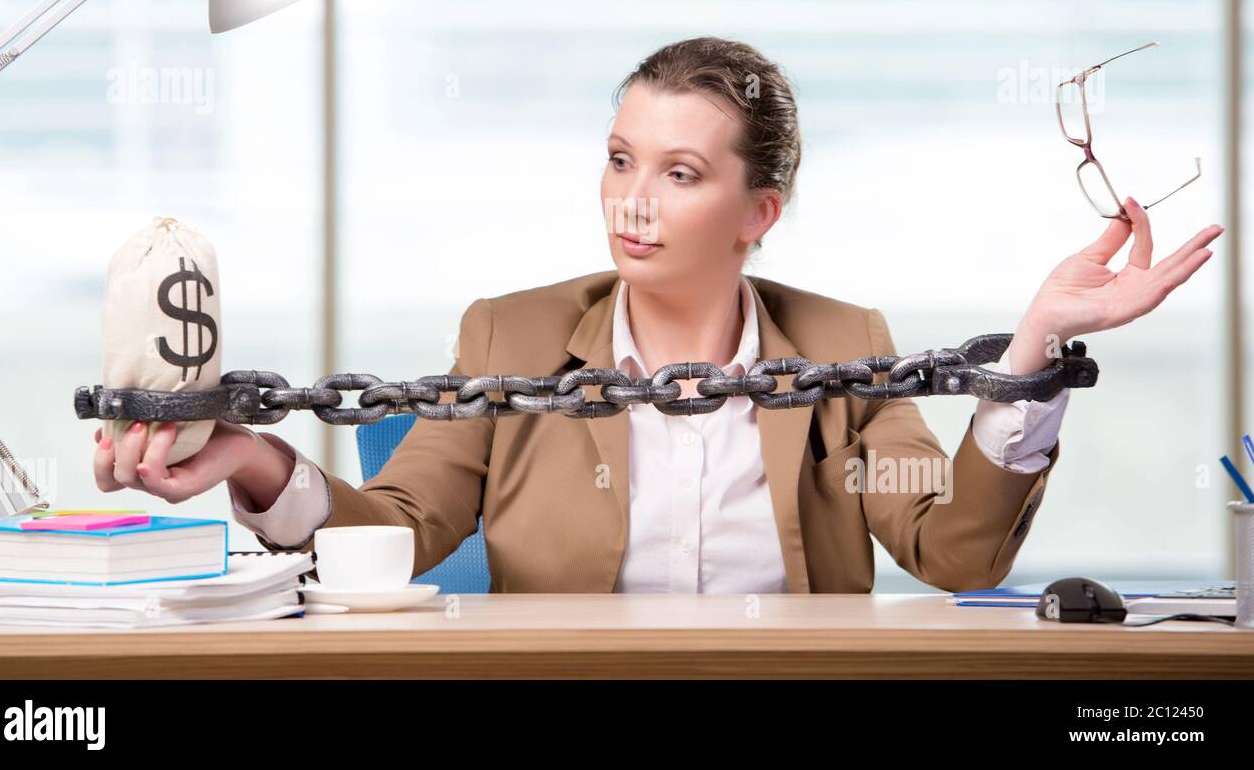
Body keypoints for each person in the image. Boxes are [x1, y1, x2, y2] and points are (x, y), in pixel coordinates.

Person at [91, 37, 1223, 593]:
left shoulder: (841, 346)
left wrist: (1028, 351)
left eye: (681, 173)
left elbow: (954, 551)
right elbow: (393, 532)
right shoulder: (512, 339)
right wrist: (249, 459)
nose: (632, 198)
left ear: (756, 210)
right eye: (621, 158)